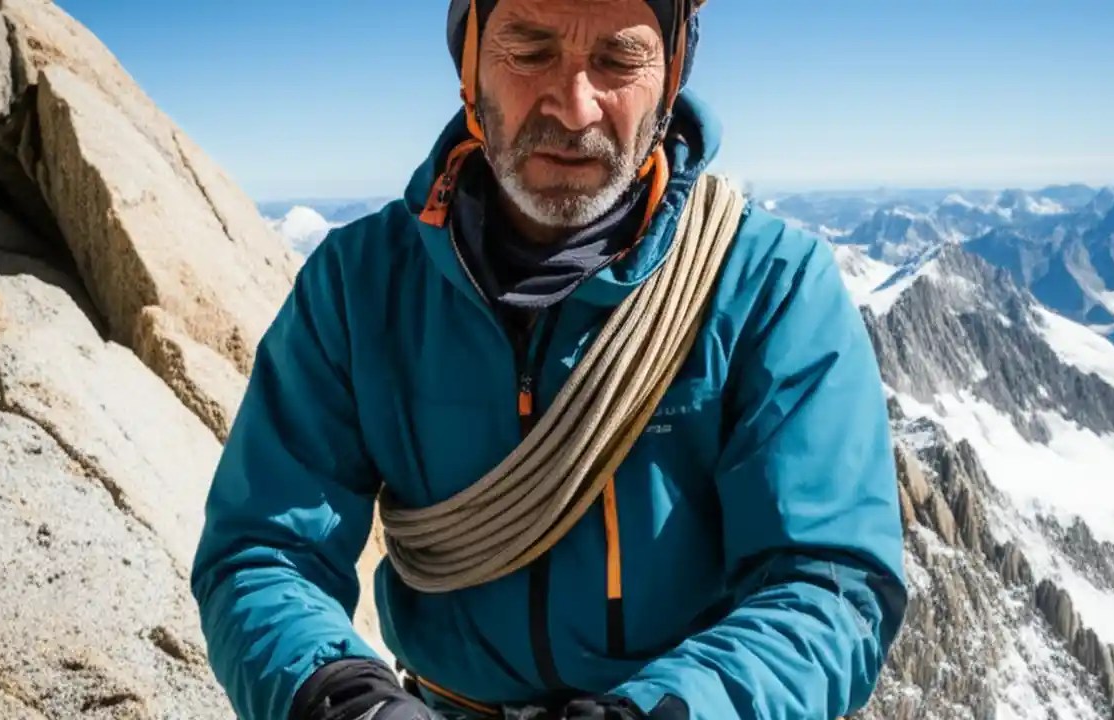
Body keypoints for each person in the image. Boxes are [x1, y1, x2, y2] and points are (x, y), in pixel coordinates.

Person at [189, 1, 908, 719]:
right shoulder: (361, 286)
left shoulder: (768, 287)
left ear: (671, 76)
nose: (573, 106)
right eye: (529, 50)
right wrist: (344, 701)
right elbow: (262, 549)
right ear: (469, 66)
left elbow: (828, 584)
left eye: (619, 60)